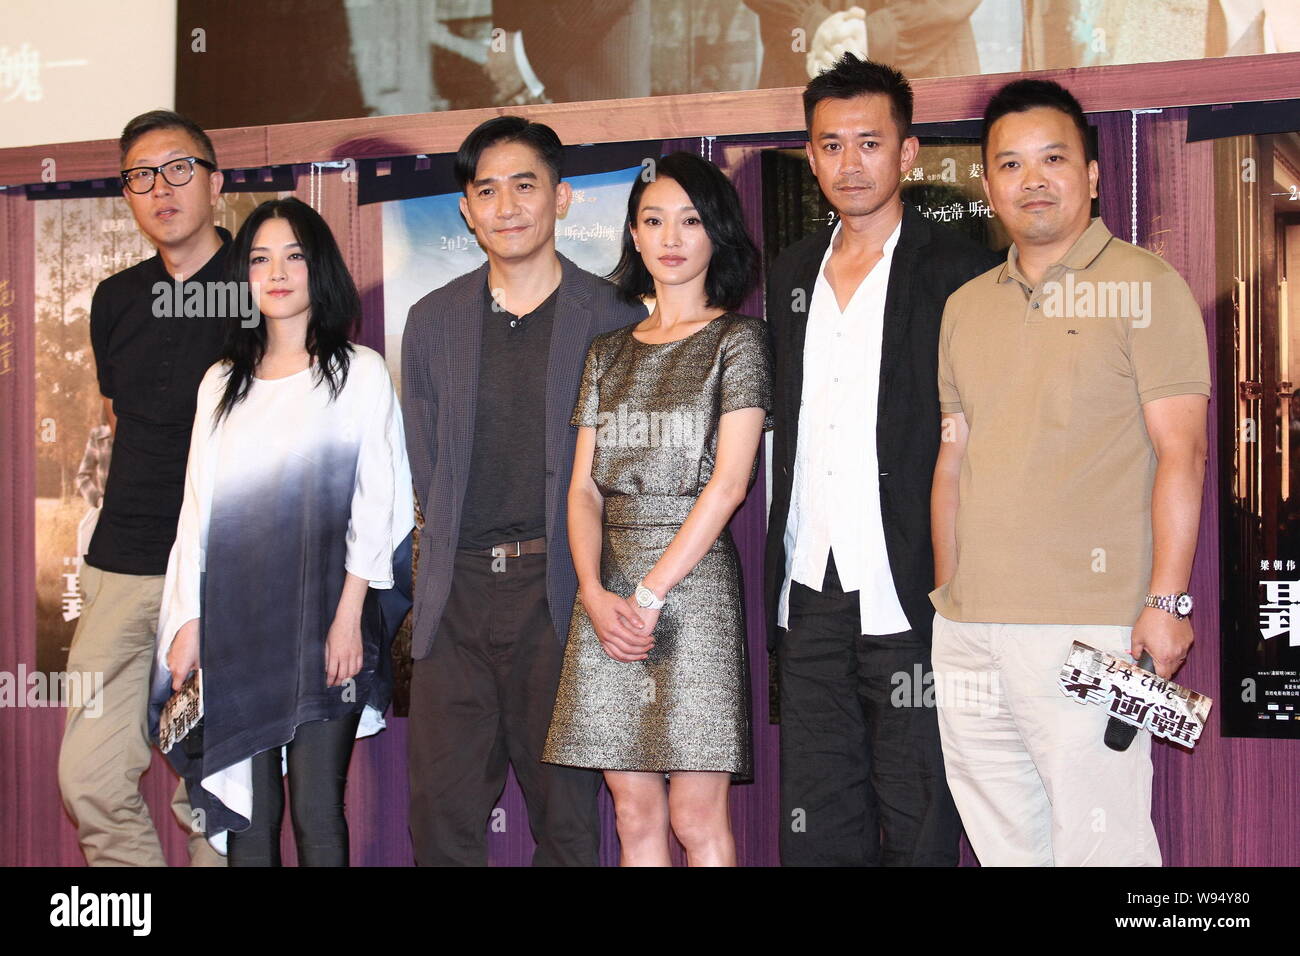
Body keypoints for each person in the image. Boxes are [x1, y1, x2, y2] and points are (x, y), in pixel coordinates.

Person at [930, 78, 1209, 866]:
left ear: (1091, 173)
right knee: (1002, 843)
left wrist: (1167, 601)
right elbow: (953, 457)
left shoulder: (1149, 287)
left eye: (1053, 158)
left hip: (1093, 628)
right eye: (1010, 164)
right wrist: (951, 600)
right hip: (968, 632)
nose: (1033, 179)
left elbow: (1182, 454)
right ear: (987, 185)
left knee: (1102, 843)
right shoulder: (965, 306)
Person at [764, 53, 1000, 866]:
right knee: (819, 824)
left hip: (913, 591)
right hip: (809, 594)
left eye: (870, 142)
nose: (849, 162)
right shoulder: (790, 271)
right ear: (811, 154)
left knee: (922, 820)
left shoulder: (959, 267)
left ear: (907, 154)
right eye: (831, 144)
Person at [401, 116, 646, 866]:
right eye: (486, 190)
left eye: (525, 185)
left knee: (568, 824)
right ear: (468, 211)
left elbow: (628, 477)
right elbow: (423, 462)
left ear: (562, 198)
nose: (506, 205)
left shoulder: (615, 319)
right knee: (441, 822)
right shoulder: (432, 319)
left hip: (563, 594)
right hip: (457, 594)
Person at [155, 197, 414, 865]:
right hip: (238, 630)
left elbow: (377, 500)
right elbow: (196, 511)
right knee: (251, 820)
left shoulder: (357, 372)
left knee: (318, 811)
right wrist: (188, 620)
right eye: (260, 258)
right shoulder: (220, 383)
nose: (277, 272)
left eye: (293, 255)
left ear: (318, 268)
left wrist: (350, 615)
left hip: (326, 622)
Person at [543, 152, 771, 867]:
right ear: (634, 238)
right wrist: (595, 593)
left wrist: (648, 594)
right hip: (606, 594)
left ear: (717, 235)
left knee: (696, 815)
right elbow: (582, 489)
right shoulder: (607, 353)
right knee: (633, 809)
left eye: (691, 219)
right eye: (653, 220)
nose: (671, 236)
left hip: (692, 591)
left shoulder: (739, 341)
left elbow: (729, 484)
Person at [58, 109, 231, 867]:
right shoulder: (115, 299)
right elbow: (118, 416)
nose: (160, 189)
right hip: (120, 563)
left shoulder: (263, 283)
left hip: (218, 569)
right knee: (87, 775)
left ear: (216, 183)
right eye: (140, 177)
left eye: (178, 169)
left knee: (215, 791)